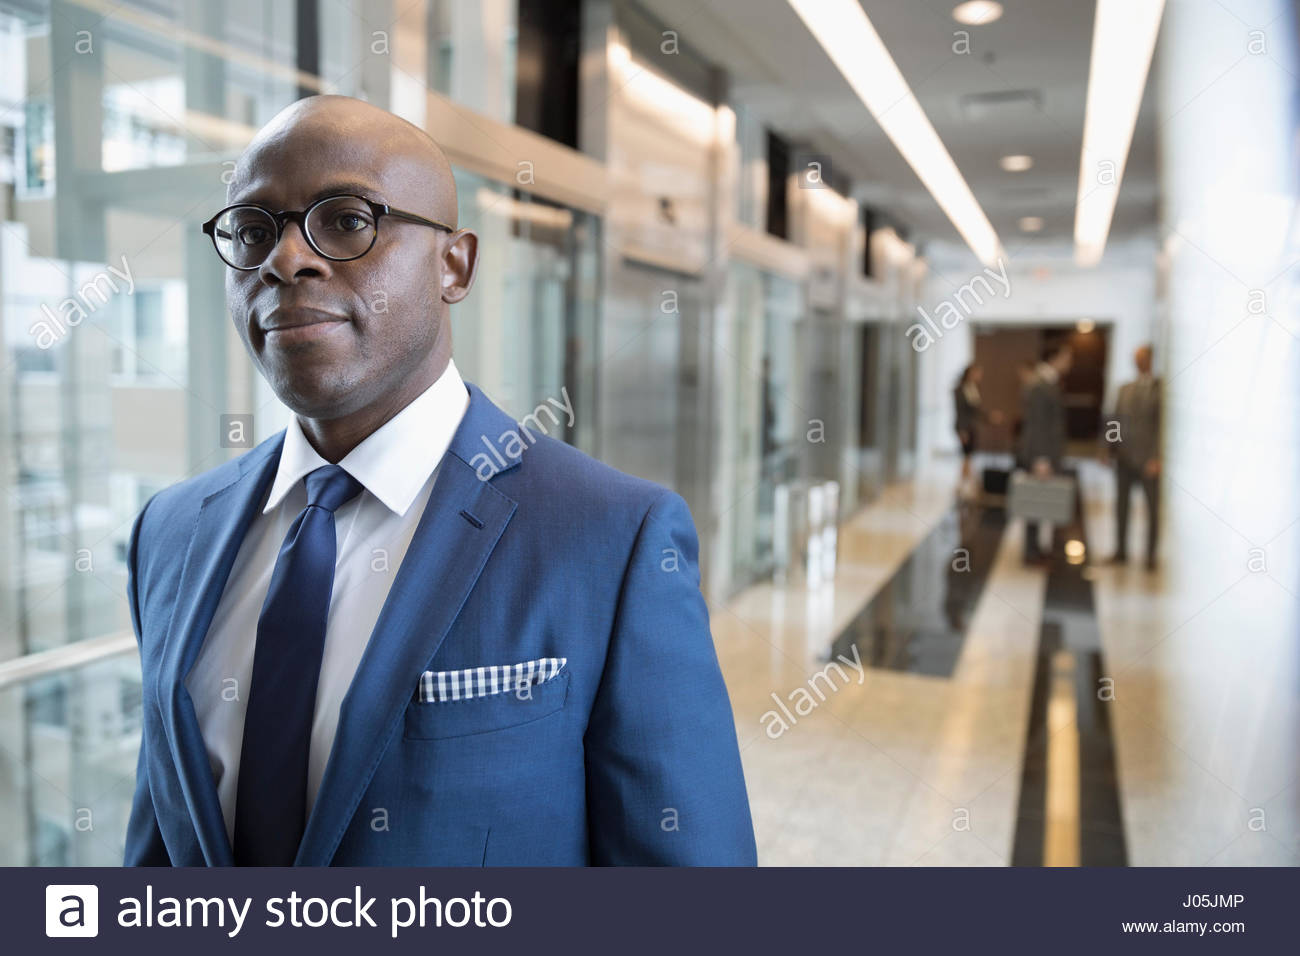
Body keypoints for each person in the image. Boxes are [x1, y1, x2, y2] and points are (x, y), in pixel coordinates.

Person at [124, 95, 756, 867]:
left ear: (454, 264)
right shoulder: (171, 531)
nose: (285, 260)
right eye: (254, 232)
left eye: (348, 220)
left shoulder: (613, 539)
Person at [1106, 344, 1162, 570]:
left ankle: (1150, 556)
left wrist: (1157, 457)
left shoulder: (1160, 390)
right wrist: (1108, 448)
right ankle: (1120, 551)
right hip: (1124, 458)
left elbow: (1162, 428)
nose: (1137, 362)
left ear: (1150, 360)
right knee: (1121, 507)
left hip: (1148, 459)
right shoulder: (1124, 389)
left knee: (1152, 509)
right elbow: (1115, 421)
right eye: (1135, 358)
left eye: (1141, 358)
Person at [1017, 343, 1072, 564]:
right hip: (1041, 453)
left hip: (1047, 451)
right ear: (1055, 357)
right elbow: (1038, 424)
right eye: (1068, 358)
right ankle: (1031, 552)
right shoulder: (1040, 385)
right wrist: (1041, 458)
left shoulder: (1047, 382)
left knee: (1041, 501)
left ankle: (1038, 547)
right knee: (1034, 501)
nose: (1070, 363)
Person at [952, 363, 1003, 497]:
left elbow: (976, 411)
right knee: (967, 455)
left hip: (971, 426)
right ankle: (965, 485)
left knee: (968, 456)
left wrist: (989, 418)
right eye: (977, 373)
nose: (980, 376)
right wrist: (962, 430)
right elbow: (960, 412)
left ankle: (964, 484)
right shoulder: (960, 390)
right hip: (964, 427)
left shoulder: (973, 389)